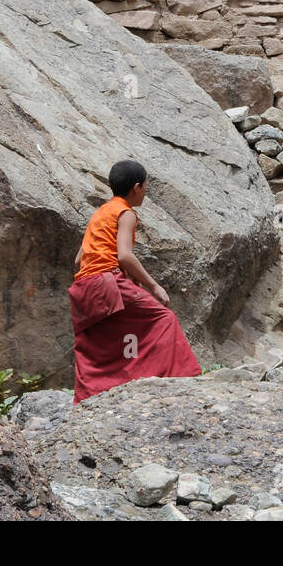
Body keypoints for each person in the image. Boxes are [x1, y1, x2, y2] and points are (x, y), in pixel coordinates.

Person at [67, 160, 201, 402]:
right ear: (137, 187)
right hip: (108, 282)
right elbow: (125, 255)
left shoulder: (101, 212)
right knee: (164, 318)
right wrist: (153, 285)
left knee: (98, 341)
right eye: (146, 186)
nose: (146, 191)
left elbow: (79, 259)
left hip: (84, 288)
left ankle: (93, 394)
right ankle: (177, 380)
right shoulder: (126, 213)